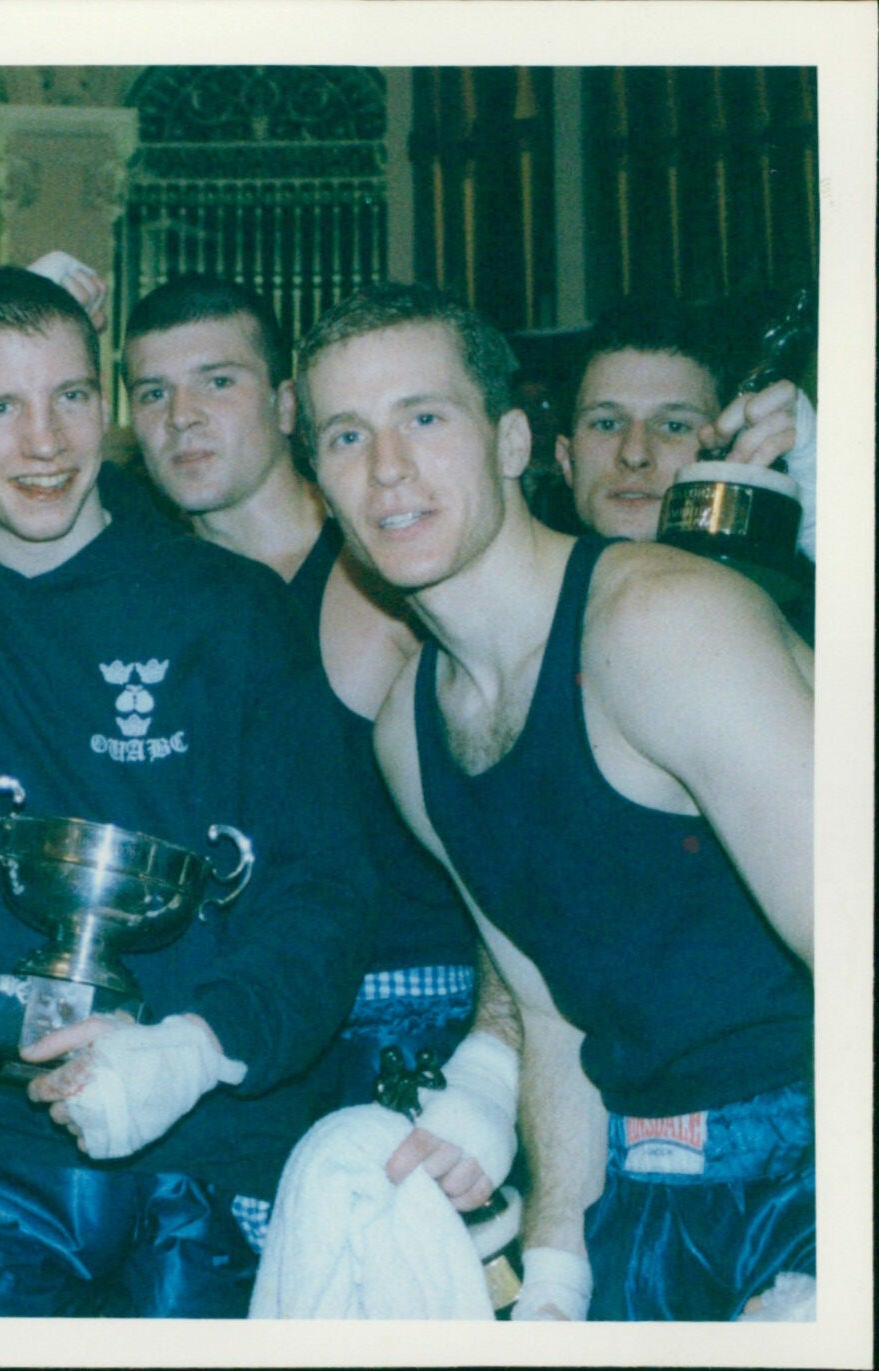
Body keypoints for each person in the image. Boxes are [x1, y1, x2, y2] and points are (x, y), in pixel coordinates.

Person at [297, 281, 814, 1321]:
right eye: (345, 436)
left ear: (511, 442)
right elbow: (547, 1009)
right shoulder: (409, 727)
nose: (386, 469)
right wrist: (556, 1275)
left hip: (810, 1168)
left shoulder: (663, 625)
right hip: (641, 1193)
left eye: (423, 418)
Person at [0, 266, 376, 1317]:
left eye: (70, 396)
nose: (43, 441)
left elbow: (323, 889)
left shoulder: (232, 609)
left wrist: (196, 1047)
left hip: (204, 1152)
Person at [120, 274, 496, 1142]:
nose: (182, 416)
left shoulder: (402, 564)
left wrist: (494, 1058)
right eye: (152, 392)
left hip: (417, 1012)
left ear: (288, 404)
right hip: (223, 1026)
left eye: (217, 380)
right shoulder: (138, 591)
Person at [552, 296, 816, 638]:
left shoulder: (784, 619)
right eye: (606, 424)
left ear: (722, 455)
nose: (634, 455)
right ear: (565, 460)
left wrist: (827, 529)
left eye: (674, 426)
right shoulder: (520, 624)